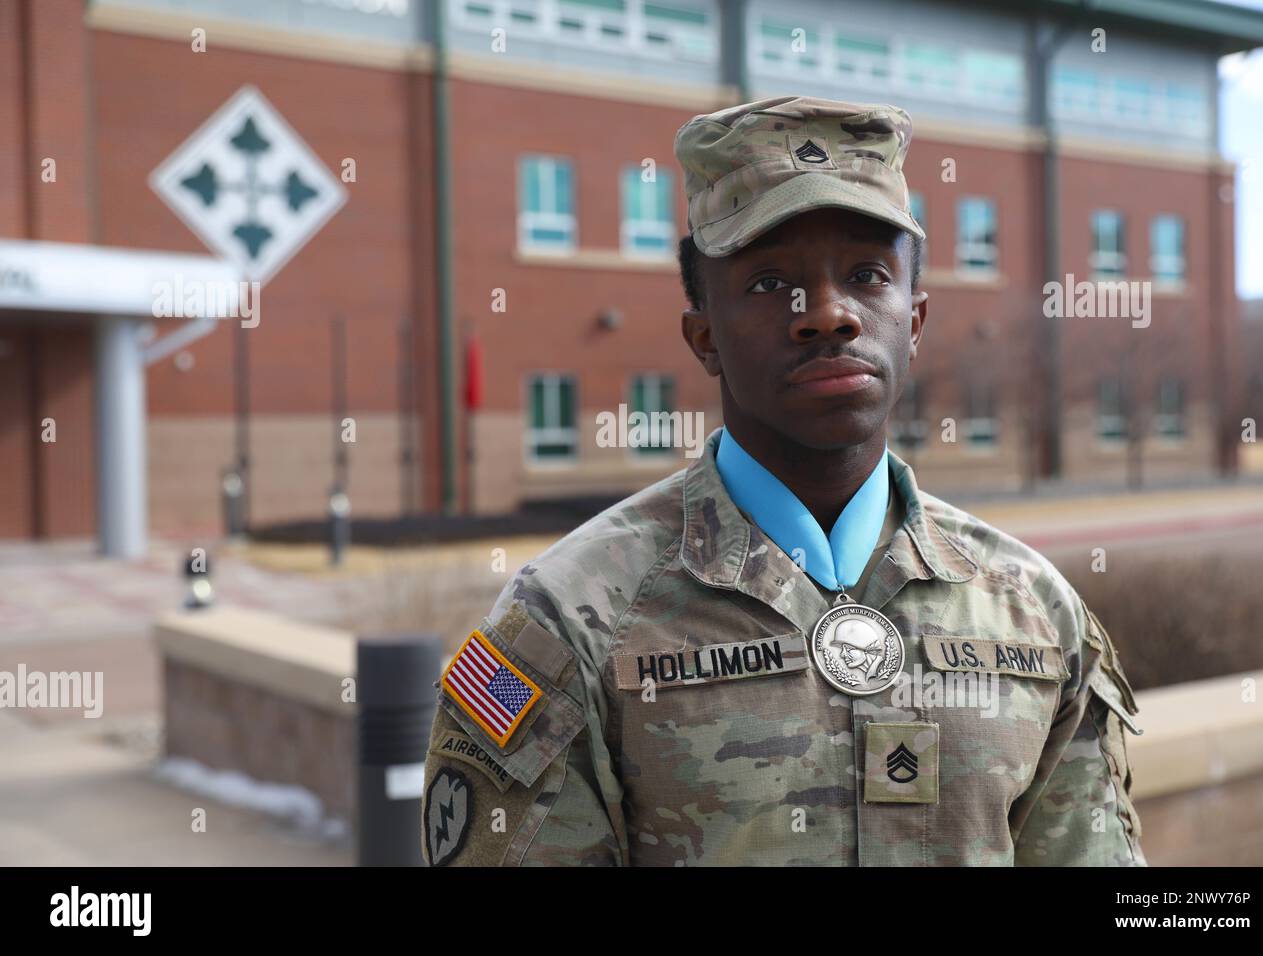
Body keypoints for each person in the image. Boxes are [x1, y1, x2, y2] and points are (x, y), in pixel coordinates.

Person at [420, 95, 1145, 867]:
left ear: (916, 319)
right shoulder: (569, 620)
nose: (826, 313)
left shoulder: (1033, 610)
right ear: (705, 337)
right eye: (769, 284)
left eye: (867, 275)